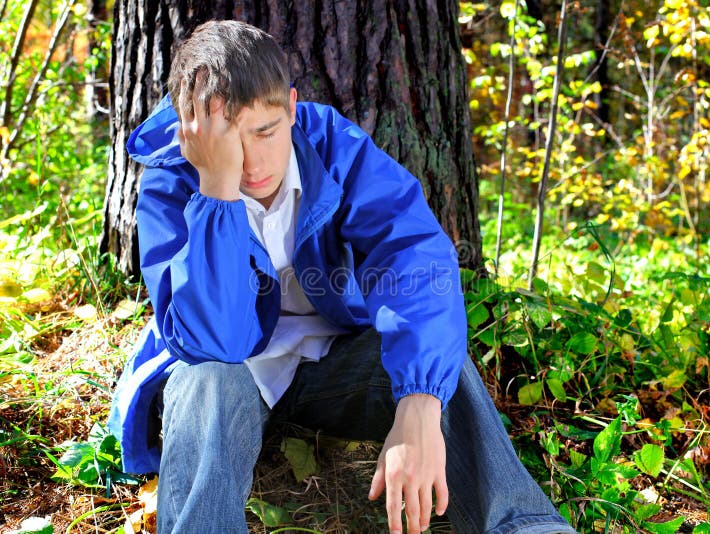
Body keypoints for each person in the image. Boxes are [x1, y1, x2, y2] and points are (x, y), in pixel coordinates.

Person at [108, 19, 575, 534]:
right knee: (206, 379)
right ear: (192, 133)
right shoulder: (172, 181)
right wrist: (216, 189)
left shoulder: (330, 145)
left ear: (290, 105)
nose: (253, 161)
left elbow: (412, 256)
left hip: (331, 363)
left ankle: (524, 525)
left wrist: (419, 404)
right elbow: (215, 340)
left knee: (437, 360)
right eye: (230, 143)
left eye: (265, 131)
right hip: (229, 374)